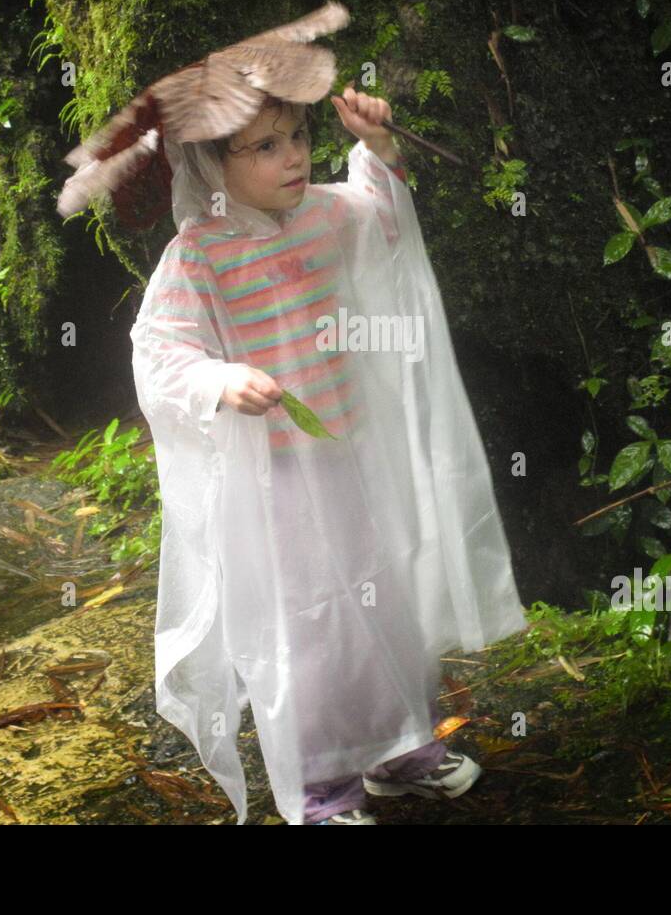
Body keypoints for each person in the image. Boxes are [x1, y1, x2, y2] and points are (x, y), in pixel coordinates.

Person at [132, 83, 527, 825]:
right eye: (266, 146)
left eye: (299, 136)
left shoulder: (322, 213)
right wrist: (219, 377)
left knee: (384, 591)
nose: (294, 157)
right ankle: (321, 787)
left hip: (349, 453)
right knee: (309, 625)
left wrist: (376, 146)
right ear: (214, 166)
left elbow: (383, 222)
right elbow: (159, 351)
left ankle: (397, 747)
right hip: (278, 475)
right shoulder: (199, 255)